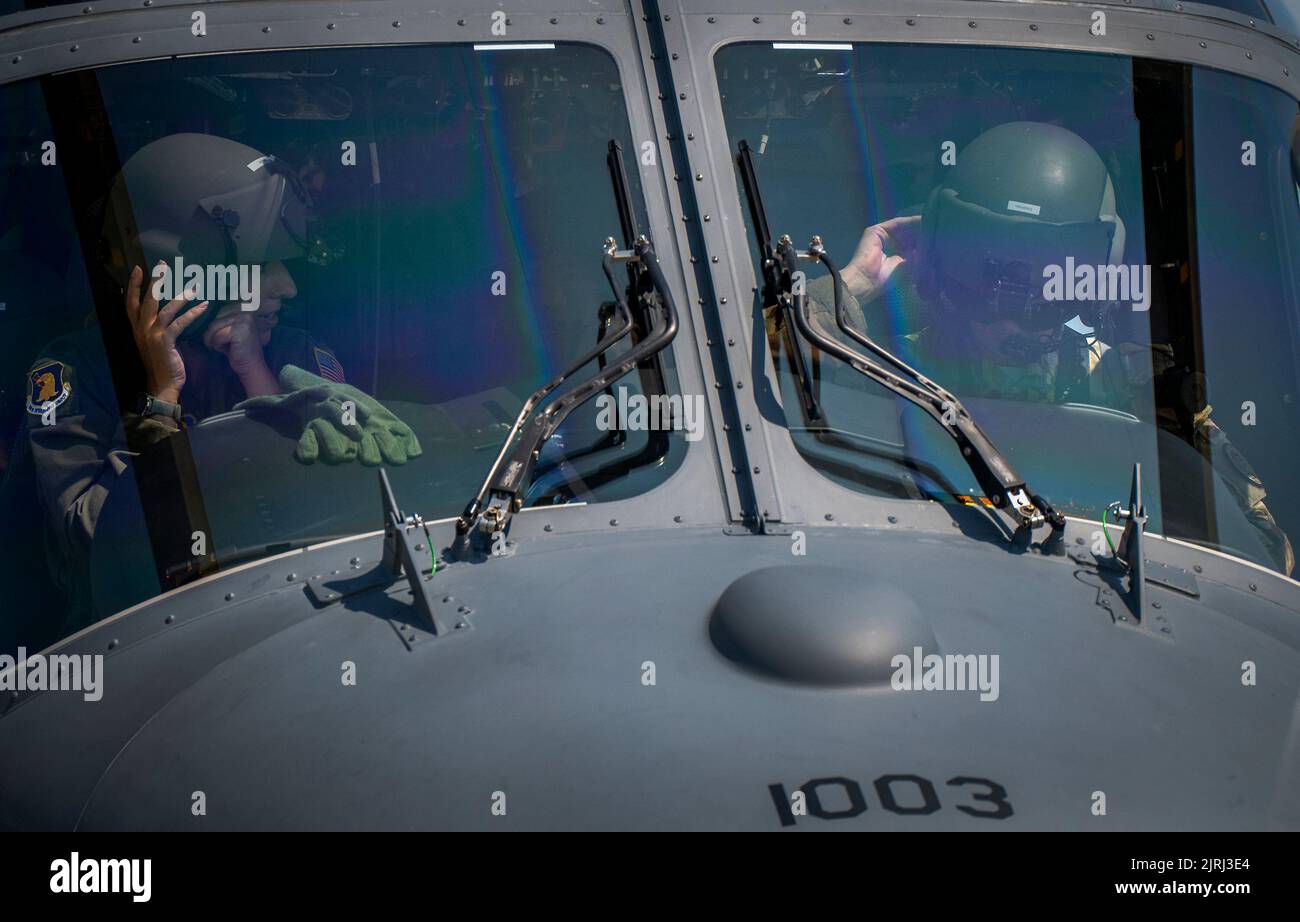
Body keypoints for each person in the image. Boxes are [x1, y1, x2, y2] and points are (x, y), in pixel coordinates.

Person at [801, 120, 1293, 574]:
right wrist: (850, 285)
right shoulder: (888, 368)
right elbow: (755, 383)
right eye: (988, 277)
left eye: (1050, 284)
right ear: (945, 265)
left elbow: (1264, 558)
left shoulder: (1140, 391)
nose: (1017, 314)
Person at [5, 133, 421, 640]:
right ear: (189, 279)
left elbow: (346, 500)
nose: (287, 287)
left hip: (294, 610)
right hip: (144, 634)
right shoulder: (73, 375)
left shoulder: (293, 354)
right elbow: (94, 542)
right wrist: (160, 401)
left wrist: (255, 375)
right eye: (264, 267)